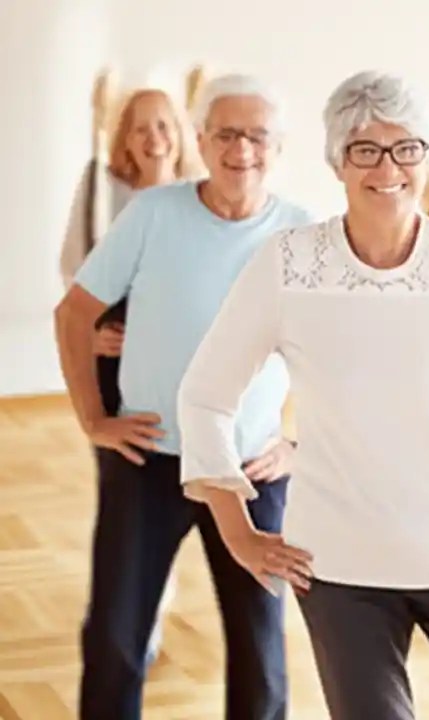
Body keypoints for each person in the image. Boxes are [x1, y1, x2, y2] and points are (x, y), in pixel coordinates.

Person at [177, 71, 429, 720]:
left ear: (427, 157)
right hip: (338, 570)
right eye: (366, 149)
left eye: (407, 148)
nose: (388, 167)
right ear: (338, 161)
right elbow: (204, 396)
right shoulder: (289, 264)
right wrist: (238, 532)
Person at [53, 73, 310, 720]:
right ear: (201, 140)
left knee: (260, 643)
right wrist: (93, 418)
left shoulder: (304, 234)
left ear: (279, 146)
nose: (242, 149)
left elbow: (343, 356)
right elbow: (74, 313)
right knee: (115, 633)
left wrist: (302, 442)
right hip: (149, 458)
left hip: (250, 467)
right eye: (226, 133)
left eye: (258, 135)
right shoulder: (153, 213)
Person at [58, 85, 203, 667]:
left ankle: (152, 610)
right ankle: (137, 625)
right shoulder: (102, 193)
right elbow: (74, 269)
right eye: (140, 127)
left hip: (181, 370)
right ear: (125, 136)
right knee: (129, 502)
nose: (153, 138)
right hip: (116, 370)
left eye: (164, 124)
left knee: (178, 495)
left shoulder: (199, 198)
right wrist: (92, 335)